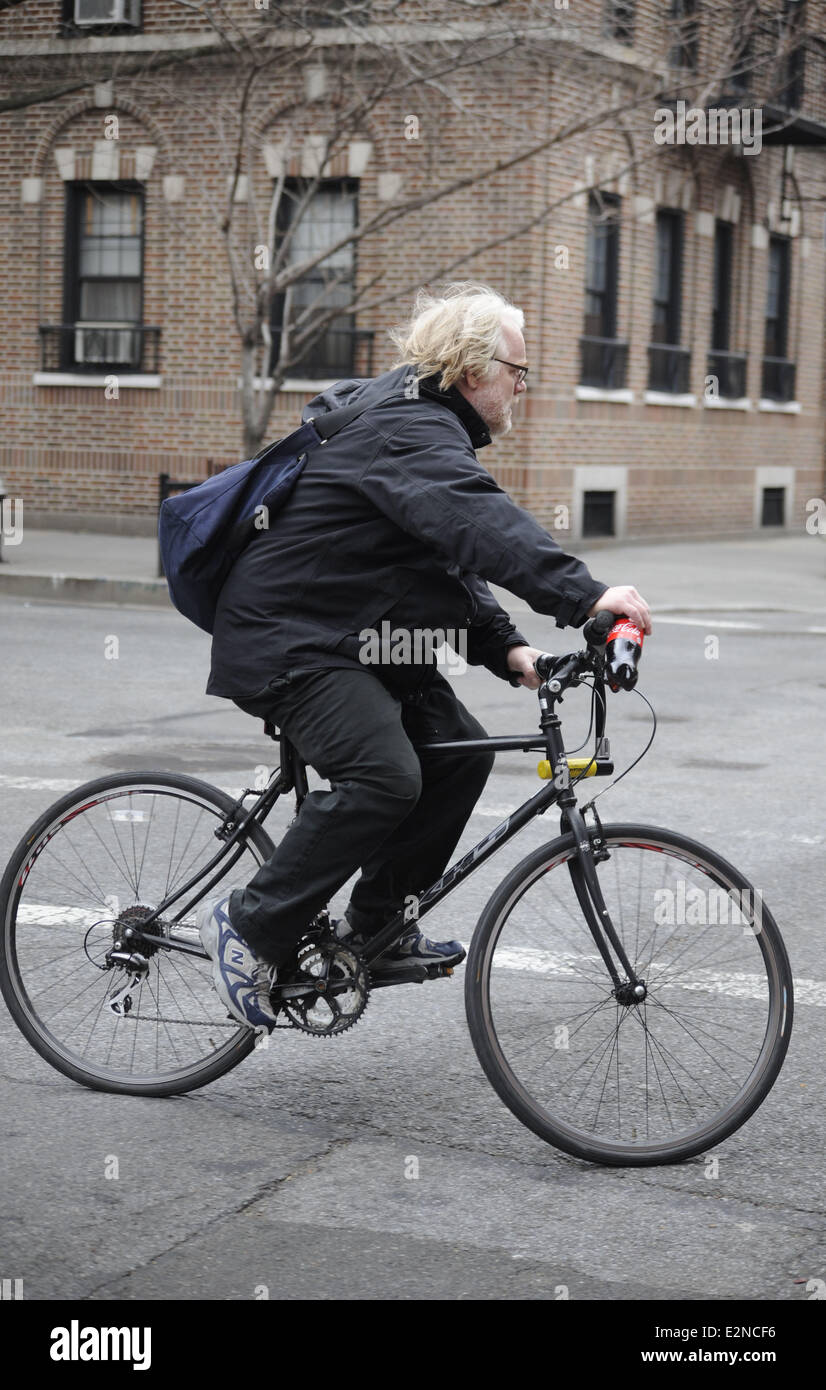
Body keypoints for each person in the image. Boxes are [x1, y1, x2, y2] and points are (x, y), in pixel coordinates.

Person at [198, 283, 652, 1030]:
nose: (522, 387)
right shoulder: (407, 430)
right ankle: (250, 928)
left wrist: (510, 650)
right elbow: (479, 523)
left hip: (357, 638)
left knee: (460, 752)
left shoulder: (421, 431)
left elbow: (443, 568)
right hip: (289, 638)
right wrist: (586, 596)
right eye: (517, 371)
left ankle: (376, 928)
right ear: (473, 370)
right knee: (384, 774)